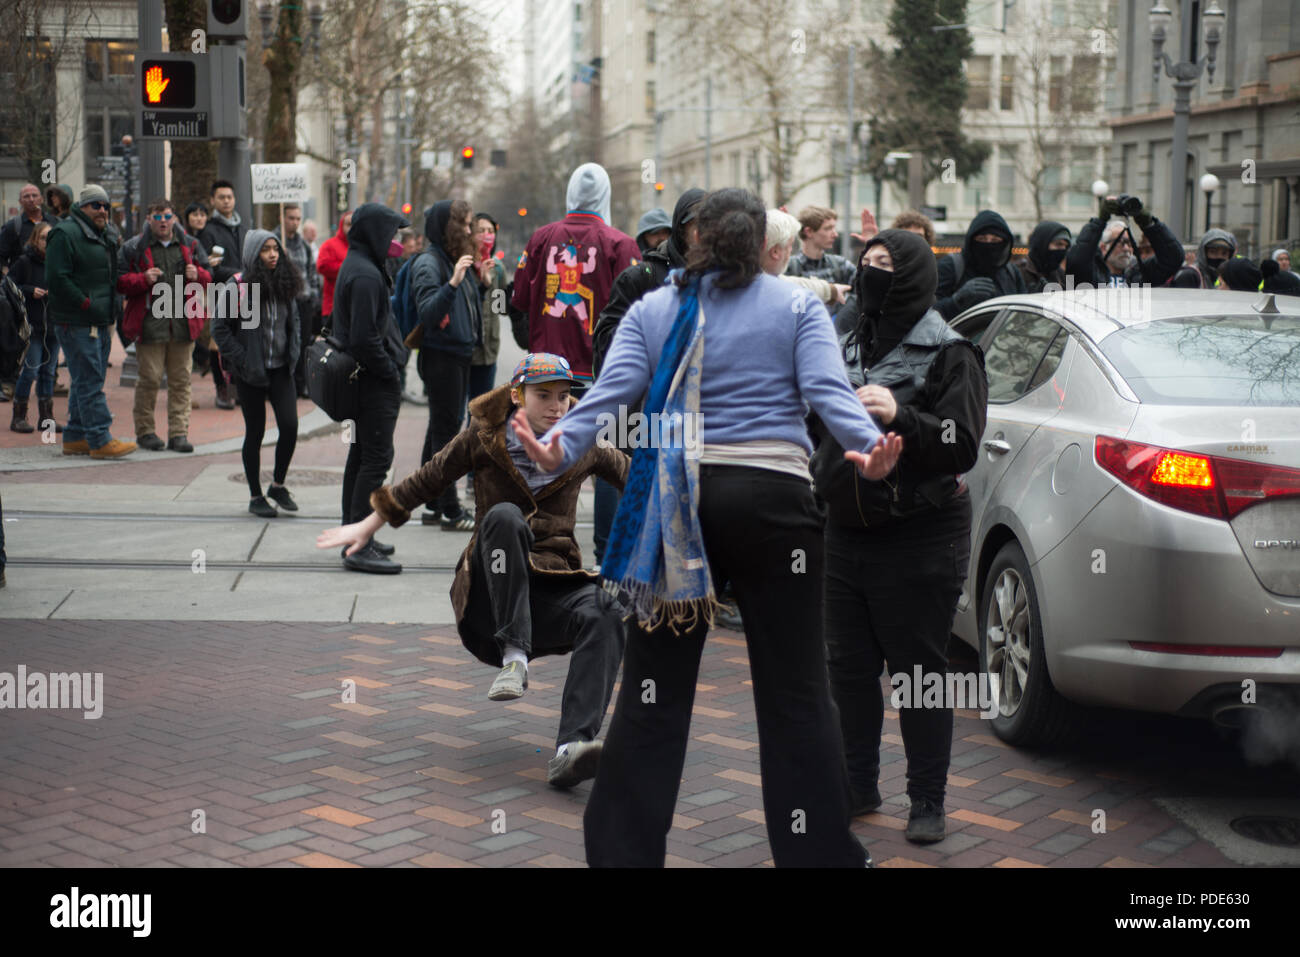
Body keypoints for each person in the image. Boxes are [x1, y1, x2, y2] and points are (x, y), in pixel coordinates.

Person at [512, 188, 903, 867]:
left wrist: (560, 445)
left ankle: (623, 853)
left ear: (691, 239)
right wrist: (866, 448)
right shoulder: (797, 305)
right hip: (775, 506)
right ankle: (817, 855)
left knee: (651, 695)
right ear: (761, 244)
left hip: (676, 505)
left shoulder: (655, 308)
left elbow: (608, 393)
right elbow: (828, 393)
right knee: (797, 694)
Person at [317, 352, 631, 787]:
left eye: (564, 395)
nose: (557, 406)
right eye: (544, 396)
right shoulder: (485, 436)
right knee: (503, 517)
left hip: (551, 585)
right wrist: (368, 525)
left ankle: (570, 751)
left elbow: (638, 483)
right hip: (491, 595)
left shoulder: (584, 439)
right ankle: (515, 658)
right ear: (518, 396)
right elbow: (428, 479)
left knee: (605, 611)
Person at [811, 228, 988, 845]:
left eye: (884, 265)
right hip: (845, 532)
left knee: (919, 674)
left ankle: (927, 799)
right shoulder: (844, 341)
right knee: (850, 672)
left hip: (920, 535)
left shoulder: (951, 351)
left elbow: (960, 442)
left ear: (912, 276)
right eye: (864, 264)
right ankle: (858, 784)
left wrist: (900, 417)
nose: (869, 274)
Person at [590, 187, 705, 571]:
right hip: (635, 409)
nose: (704, 233)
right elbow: (606, 341)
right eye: (695, 225)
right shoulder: (641, 276)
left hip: (692, 414)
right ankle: (611, 566)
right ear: (680, 227)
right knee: (621, 483)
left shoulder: (721, 279)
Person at [510, 163, 640, 386]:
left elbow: (519, 298)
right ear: (605, 194)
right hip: (599, 373)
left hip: (545, 370)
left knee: (548, 421)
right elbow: (637, 314)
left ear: (570, 192)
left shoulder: (540, 239)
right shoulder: (621, 245)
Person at [331, 203, 409, 573]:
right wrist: (390, 372)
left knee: (361, 457)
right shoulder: (364, 274)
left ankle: (355, 534)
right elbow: (363, 337)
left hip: (367, 380)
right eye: (392, 233)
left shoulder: (363, 263)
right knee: (375, 460)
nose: (397, 241)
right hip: (373, 383)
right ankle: (358, 546)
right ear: (376, 233)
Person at [211, 230, 304, 516]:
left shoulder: (285, 283)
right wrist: (242, 360)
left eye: (276, 248)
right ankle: (255, 496)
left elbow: (295, 323)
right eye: (266, 250)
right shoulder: (237, 286)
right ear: (254, 254)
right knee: (255, 432)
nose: (273, 254)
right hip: (251, 373)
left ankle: (277, 484)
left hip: (280, 370)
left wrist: (294, 354)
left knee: (289, 426)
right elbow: (219, 329)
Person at [45, 185, 135, 459]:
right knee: (90, 380)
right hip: (77, 320)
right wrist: (85, 302)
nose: (103, 210)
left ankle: (75, 436)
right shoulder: (64, 233)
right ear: (83, 206)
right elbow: (57, 278)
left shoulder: (106, 233)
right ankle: (99, 438)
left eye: (106, 206)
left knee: (84, 379)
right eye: (96, 205)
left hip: (101, 317)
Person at [409, 199, 482, 531]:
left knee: (439, 428)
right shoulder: (429, 263)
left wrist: (477, 281)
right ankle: (451, 509)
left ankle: (432, 501)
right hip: (441, 357)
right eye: (465, 224)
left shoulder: (451, 258)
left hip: (457, 354)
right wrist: (453, 282)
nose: (470, 230)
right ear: (449, 227)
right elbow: (428, 312)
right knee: (447, 434)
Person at [117, 198, 212, 452]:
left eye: (167, 216)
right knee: (149, 379)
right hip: (150, 325)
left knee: (181, 381)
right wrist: (143, 279)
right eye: (157, 217)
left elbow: (208, 276)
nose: (163, 222)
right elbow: (118, 281)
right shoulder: (134, 247)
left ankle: (178, 434)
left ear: (174, 219)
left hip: (183, 324)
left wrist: (198, 275)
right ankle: (146, 432)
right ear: (148, 220)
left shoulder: (191, 245)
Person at [467, 213, 507, 499]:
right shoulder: (465, 264)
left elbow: (500, 307)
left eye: (490, 230)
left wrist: (495, 281)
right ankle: (450, 472)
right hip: (465, 349)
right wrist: (481, 280)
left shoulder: (500, 268)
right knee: (460, 416)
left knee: (483, 418)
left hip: (488, 349)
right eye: (480, 230)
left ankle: (475, 477)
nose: (486, 235)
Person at [1065, 194, 1183, 289]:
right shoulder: (1093, 274)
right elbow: (1077, 262)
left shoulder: (1139, 273)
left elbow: (1173, 258)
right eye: (1120, 243)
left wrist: (1148, 223)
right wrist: (1100, 221)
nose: (1126, 248)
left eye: (1129, 243)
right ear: (1103, 248)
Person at [198, 181, 246, 410]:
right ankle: (222, 388)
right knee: (218, 343)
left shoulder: (243, 228)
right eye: (222, 197)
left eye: (230, 196)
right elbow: (211, 267)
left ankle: (237, 386)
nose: (227, 201)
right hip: (219, 293)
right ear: (213, 201)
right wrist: (238, 273)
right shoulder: (208, 231)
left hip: (245, 293)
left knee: (241, 339)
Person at [933, 210, 1026, 319]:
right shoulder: (951, 266)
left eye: (995, 240)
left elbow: (1023, 315)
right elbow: (928, 313)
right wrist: (956, 301)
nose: (988, 244)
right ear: (971, 240)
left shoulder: (1011, 272)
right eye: (982, 239)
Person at [8, 223, 56, 433]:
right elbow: (8, 285)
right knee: (30, 371)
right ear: (36, 239)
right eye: (44, 238)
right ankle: (18, 416)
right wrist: (28, 290)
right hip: (32, 326)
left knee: (49, 372)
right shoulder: (24, 261)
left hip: (54, 326)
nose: (48, 242)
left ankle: (46, 419)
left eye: (52, 238)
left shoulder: (59, 262)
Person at [273, 203, 323, 398]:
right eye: (290, 218)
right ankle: (285, 383)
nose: (294, 222)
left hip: (303, 301)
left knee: (302, 344)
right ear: (282, 218)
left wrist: (312, 295)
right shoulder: (275, 241)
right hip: (283, 301)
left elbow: (311, 272)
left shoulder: (303, 245)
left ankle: (301, 384)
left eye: (297, 219)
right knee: (284, 342)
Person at [784, 205, 856, 317]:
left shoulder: (840, 265)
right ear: (808, 232)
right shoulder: (788, 267)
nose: (835, 234)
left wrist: (872, 245)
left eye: (834, 228)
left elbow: (866, 288)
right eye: (828, 228)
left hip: (835, 333)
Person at [0, 183, 57, 271]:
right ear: (20, 201)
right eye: (26, 196)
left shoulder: (55, 222)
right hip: (23, 281)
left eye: (34, 195)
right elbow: (1, 257)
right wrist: (8, 276)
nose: (31, 199)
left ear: (41, 199)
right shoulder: (12, 226)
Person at [316, 210, 352, 324]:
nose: (352, 228)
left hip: (354, 308)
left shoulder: (362, 246)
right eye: (348, 224)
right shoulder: (329, 245)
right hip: (332, 307)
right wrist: (349, 268)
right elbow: (322, 266)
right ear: (342, 225)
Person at [1171, 228, 1236, 289]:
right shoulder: (1190, 275)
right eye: (1213, 252)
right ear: (1203, 253)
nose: (1219, 257)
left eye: (1224, 253)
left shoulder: (1216, 277)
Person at [1017, 221, 1072, 293]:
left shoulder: (1060, 274)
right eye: (1059, 244)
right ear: (1042, 244)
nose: (1063, 249)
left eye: (1066, 246)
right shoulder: (1019, 272)